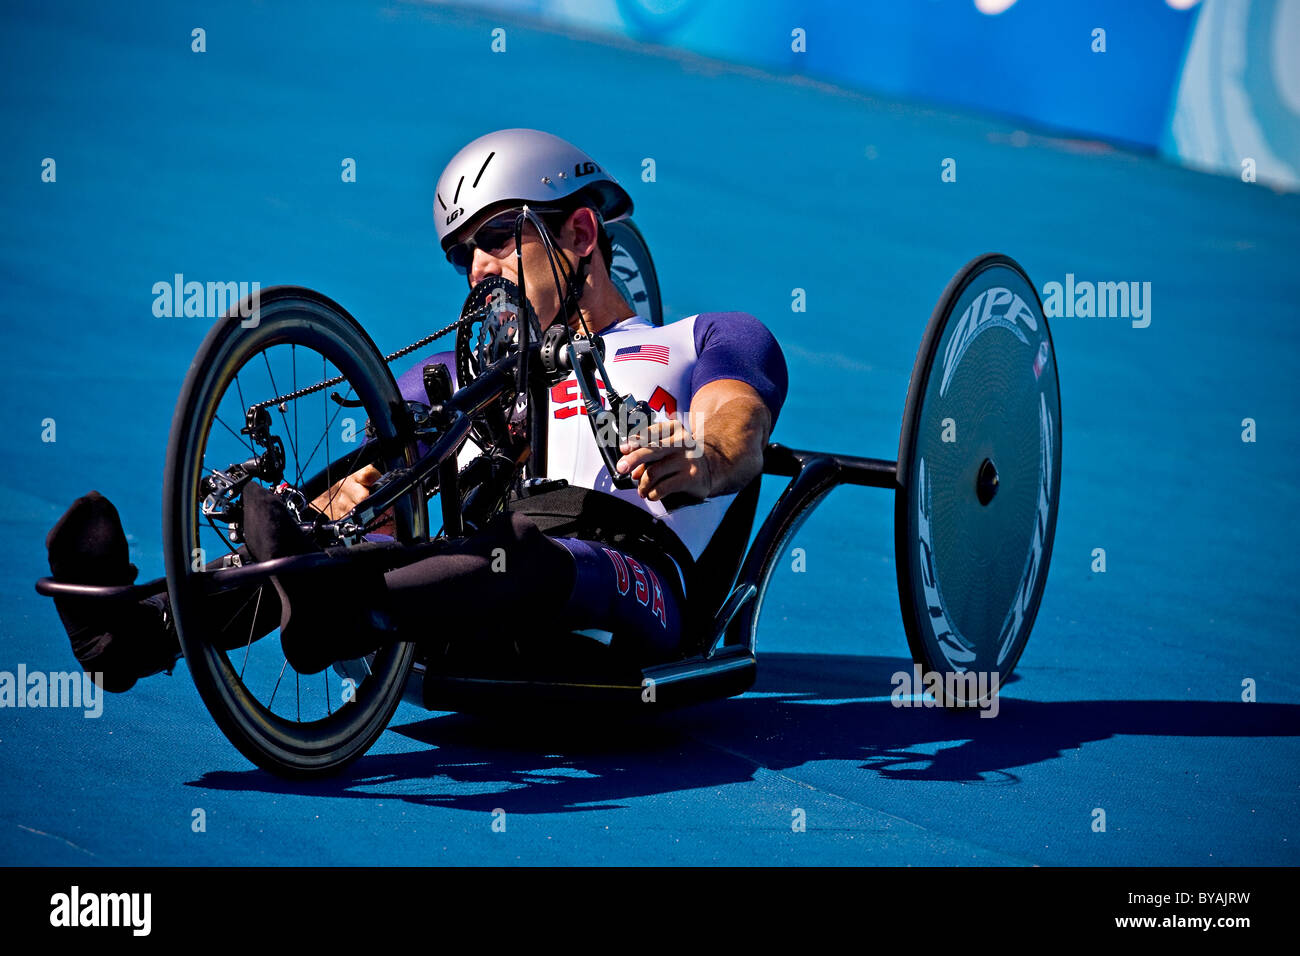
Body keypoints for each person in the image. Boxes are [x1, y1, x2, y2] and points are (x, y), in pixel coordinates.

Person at [44, 128, 787, 690]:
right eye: (462, 254)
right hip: (471, 582)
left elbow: (738, 421)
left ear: (580, 234)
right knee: (346, 535)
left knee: (520, 548)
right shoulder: (457, 375)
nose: (477, 270)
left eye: (497, 238)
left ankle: (344, 608)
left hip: (634, 584)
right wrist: (328, 511)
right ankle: (132, 635)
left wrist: (703, 454)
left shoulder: (700, 338)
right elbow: (381, 477)